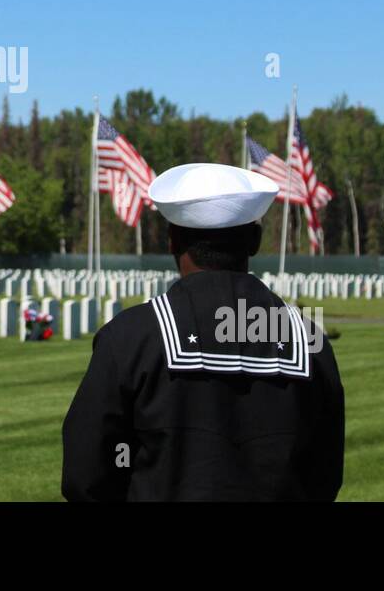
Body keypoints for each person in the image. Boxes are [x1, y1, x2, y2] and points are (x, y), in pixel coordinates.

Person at [61, 163, 344, 501]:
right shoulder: (308, 339)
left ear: (172, 240)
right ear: (254, 241)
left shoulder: (130, 337)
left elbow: (87, 473)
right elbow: (324, 474)